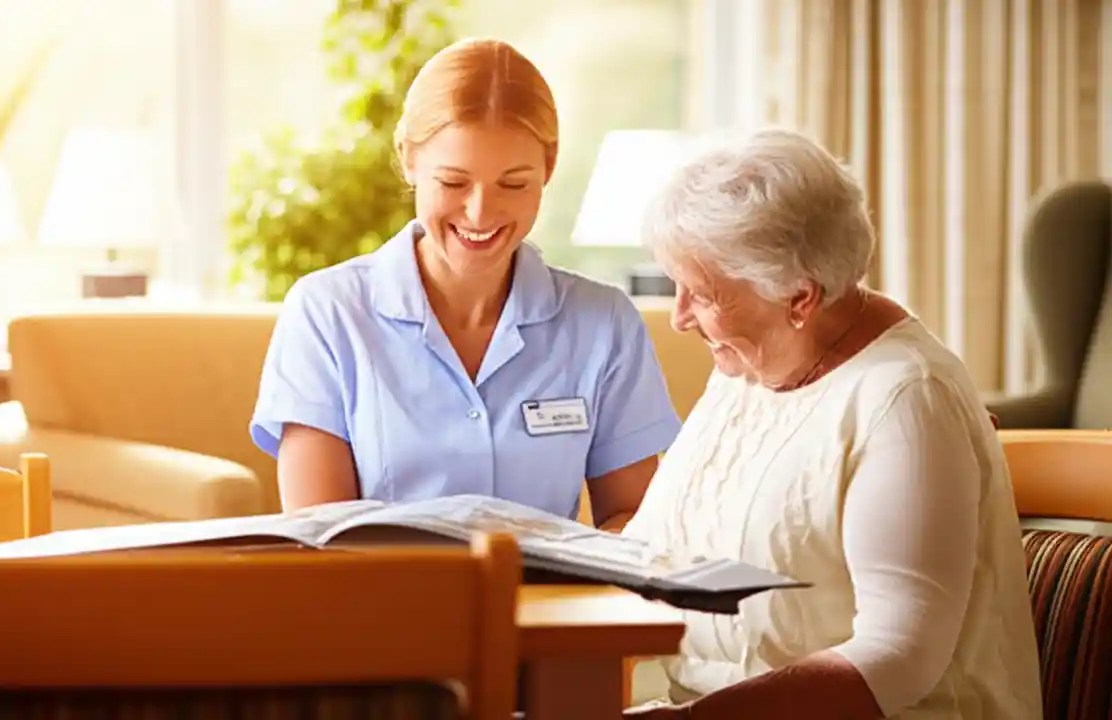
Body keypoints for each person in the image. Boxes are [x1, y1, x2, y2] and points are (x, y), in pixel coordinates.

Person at [621, 129, 1042, 718]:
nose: (681, 318)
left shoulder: (907, 397)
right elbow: (646, 554)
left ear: (799, 298)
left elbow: (897, 654)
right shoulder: (749, 369)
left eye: (702, 293)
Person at [249, 38, 680, 529]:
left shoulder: (604, 324)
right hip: (379, 605)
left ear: (549, 169)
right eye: (453, 183)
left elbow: (633, 522)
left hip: (550, 606)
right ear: (409, 159)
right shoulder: (327, 314)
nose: (480, 213)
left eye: (514, 184)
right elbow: (320, 536)